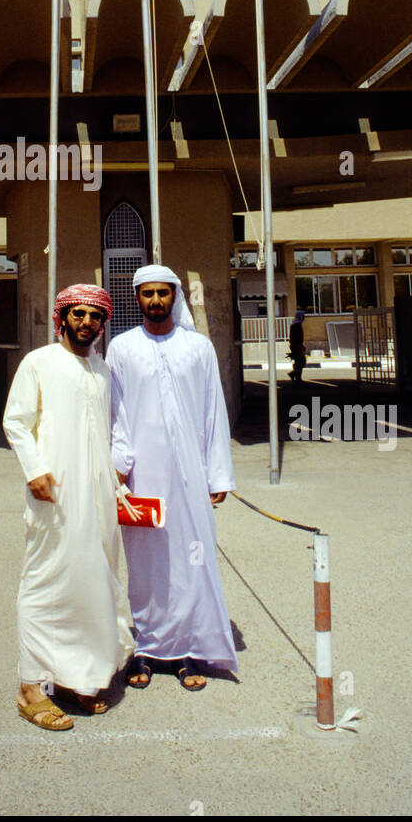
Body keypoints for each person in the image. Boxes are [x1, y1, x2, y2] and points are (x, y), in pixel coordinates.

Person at [3, 284, 133, 731]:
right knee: (45, 583)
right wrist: (34, 470)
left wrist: (116, 484)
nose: (86, 323)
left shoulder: (100, 371)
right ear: (63, 318)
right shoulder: (39, 362)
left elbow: (103, 434)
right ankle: (29, 688)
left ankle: (77, 677)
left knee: (93, 579)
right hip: (53, 492)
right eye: (78, 314)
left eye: (95, 317)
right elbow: (16, 422)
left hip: (96, 495)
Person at [107, 265, 238, 690]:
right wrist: (118, 469)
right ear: (137, 299)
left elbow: (213, 412)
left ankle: (187, 651)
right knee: (146, 564)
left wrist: (217, 473)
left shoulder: (198, 349)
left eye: (163, 293)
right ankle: (145, 649)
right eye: (148, 294)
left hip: (189, 477)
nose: (156, 301)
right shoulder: (121, 348)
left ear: (175, 296)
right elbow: (117, 415)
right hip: (144, 476)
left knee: (191, 559)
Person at [288, 309, 306, 383]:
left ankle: (296, 375)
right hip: (296, 346)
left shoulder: (296, 325)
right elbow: (295, 337)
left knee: (300, 361)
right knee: (300, 361)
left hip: (296, 345)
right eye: (303, 316)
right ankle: (295, 375)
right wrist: (299, 346)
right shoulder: (296, 326)